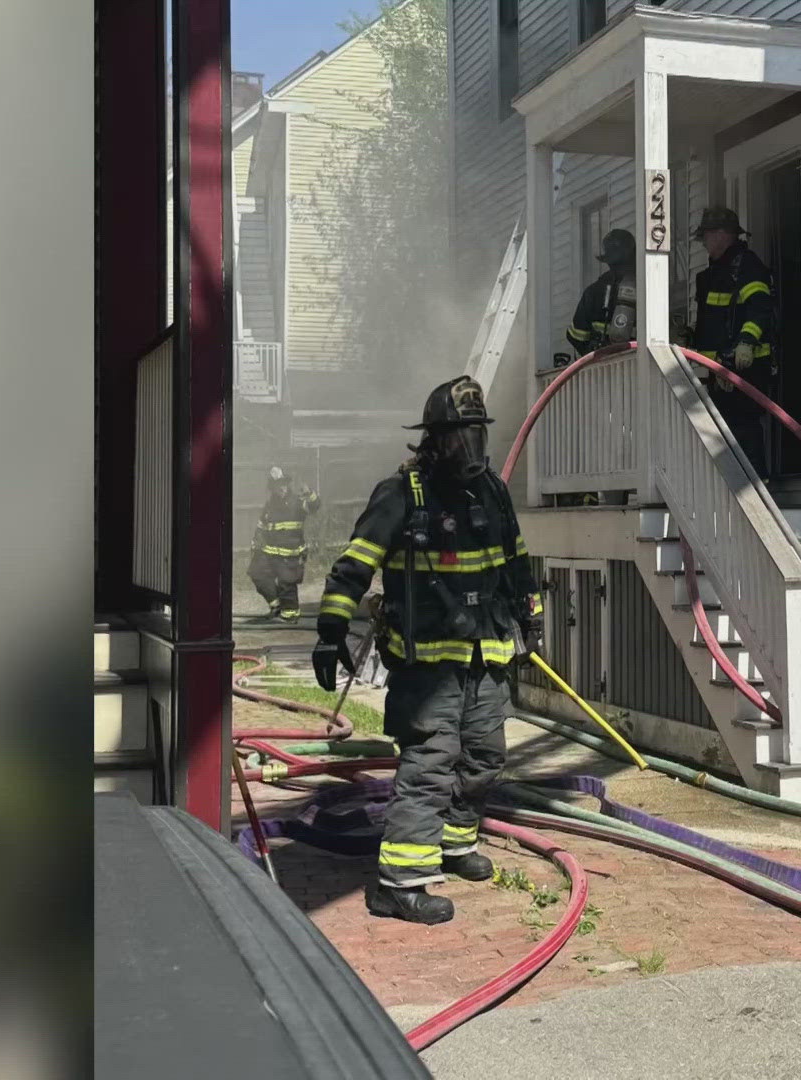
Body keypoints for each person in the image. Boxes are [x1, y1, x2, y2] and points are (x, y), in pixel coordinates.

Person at [311, 376, 545, 925]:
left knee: (485, 755)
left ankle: (454, 843)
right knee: (431, 763)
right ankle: (401, 881)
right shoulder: (400, 496)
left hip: (485, 655)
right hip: (426, 664)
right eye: (462, 438)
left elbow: (516, 561)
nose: (473, 449)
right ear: (435, 440)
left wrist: (530, 618)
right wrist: (330, 631)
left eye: (478, 437)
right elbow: (353, 567)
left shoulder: (491, 491)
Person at [690, 207, 777, 478]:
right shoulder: (711, 276)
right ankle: (731, 486)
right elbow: (712, 324)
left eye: (706, 236)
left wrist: (747, 342)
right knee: (717, 430)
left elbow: (760, 308)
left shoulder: (747, 266)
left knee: (743, 425)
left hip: (744, 364)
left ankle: (757, 488)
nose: (704, 242)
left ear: (721, 235)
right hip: (715, 369)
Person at [247, 466, 320, 622]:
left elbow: (315, 506)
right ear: (272, 488)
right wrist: (255, 543)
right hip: (270, 552)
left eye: (283, 484)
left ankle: (290, 616)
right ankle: (277, 606)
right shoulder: (270, 505)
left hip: (291, 554)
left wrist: (309, 494)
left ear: (287, 485)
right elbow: (261, 526)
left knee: (287, 584)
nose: (281, 488)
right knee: (256, 573)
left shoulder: (298, 503)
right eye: (277, 485)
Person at [565, 228, 637, 358]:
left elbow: (576, 336)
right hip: (635, 364)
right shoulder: (648, 288)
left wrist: (593, 355)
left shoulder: (593, 292)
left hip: (604, 370)